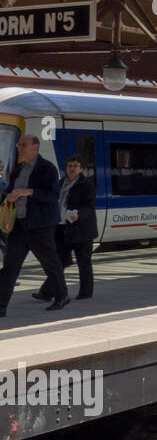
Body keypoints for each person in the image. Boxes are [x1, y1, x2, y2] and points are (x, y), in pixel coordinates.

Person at [0, 134, 69, 315]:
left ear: (35, 147)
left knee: (50, 264)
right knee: (10, 265)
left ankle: (62, 296)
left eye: (24, 145)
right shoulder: (17, 171)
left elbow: (53, 196)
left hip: (41, 226)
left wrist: (30, 192)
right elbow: (7, 192)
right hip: (19, 226)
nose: (19, 148)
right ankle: (1, 306)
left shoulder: (48, 169)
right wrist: (9, 196)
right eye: (19, 145)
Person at [36, 156, 96, 301]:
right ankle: (46, 292)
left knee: (84, 262)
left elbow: (89, 206)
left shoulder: (86, 184)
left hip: (81, 230)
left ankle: (86, 292)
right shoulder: (60, 182)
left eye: (75, 166)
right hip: (62, 229)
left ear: (81, 169)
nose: (72, 168)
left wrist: (78, 215)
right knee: (58, 261)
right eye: (69, 165)